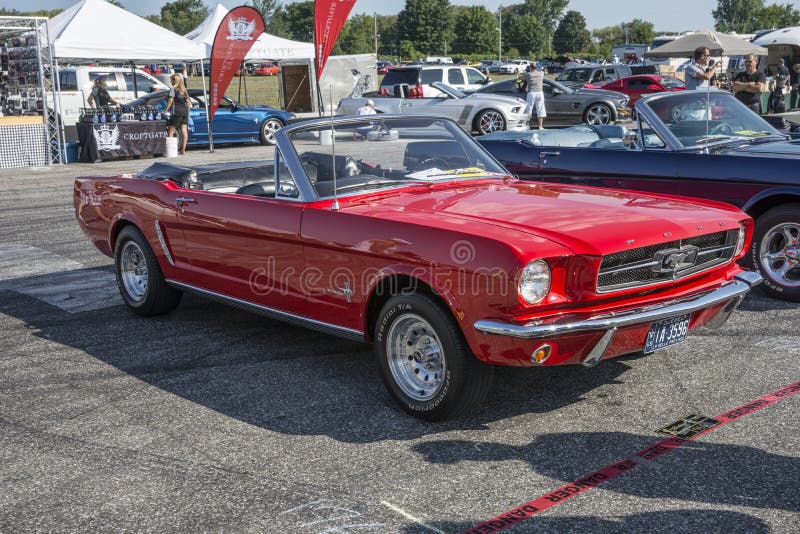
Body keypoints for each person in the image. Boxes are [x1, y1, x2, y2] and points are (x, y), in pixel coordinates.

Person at [165, 74, 190, 154]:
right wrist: (187, 111)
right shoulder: (184, 89)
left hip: (176, 112)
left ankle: (171, 151)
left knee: (171, 131)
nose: (170, 81)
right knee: (184, 131)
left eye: (171, 80)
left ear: (174, 81)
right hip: (185, 112)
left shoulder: (173, 89)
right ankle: (183, 150)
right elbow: (188, 102)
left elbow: (170, 101)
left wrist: (165, 110)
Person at [522, 64, 546, 129]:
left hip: (531, 93)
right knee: (540, 109)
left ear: (530, 67)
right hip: (540, 93)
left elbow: (521, 78)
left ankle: (527, 125)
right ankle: (540, 126)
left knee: (529, 109)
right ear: (536, 68)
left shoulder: (528, 74)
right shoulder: (541, 74)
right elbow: (543, 70)